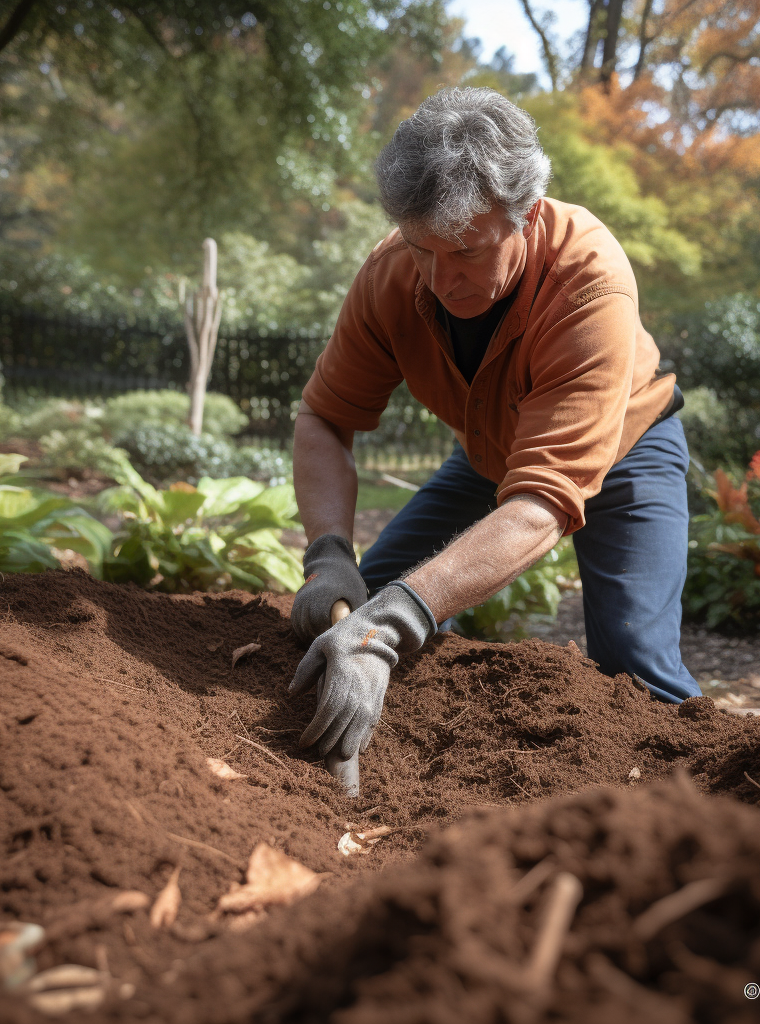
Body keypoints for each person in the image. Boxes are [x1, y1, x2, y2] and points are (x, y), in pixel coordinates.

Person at [288, 87, 700, 796]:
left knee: (634, 658)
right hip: (491, 456)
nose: (442, 279)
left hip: (626, 450)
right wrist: (329, 555)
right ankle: (406, 778)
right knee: (366, 603)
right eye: (422, 249)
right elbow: (323, 420)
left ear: (528, 214)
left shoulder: (590, 281)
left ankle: (695, 807)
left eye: (466, 252)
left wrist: (394, 624)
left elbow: (542, 500)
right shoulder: (392, 275)